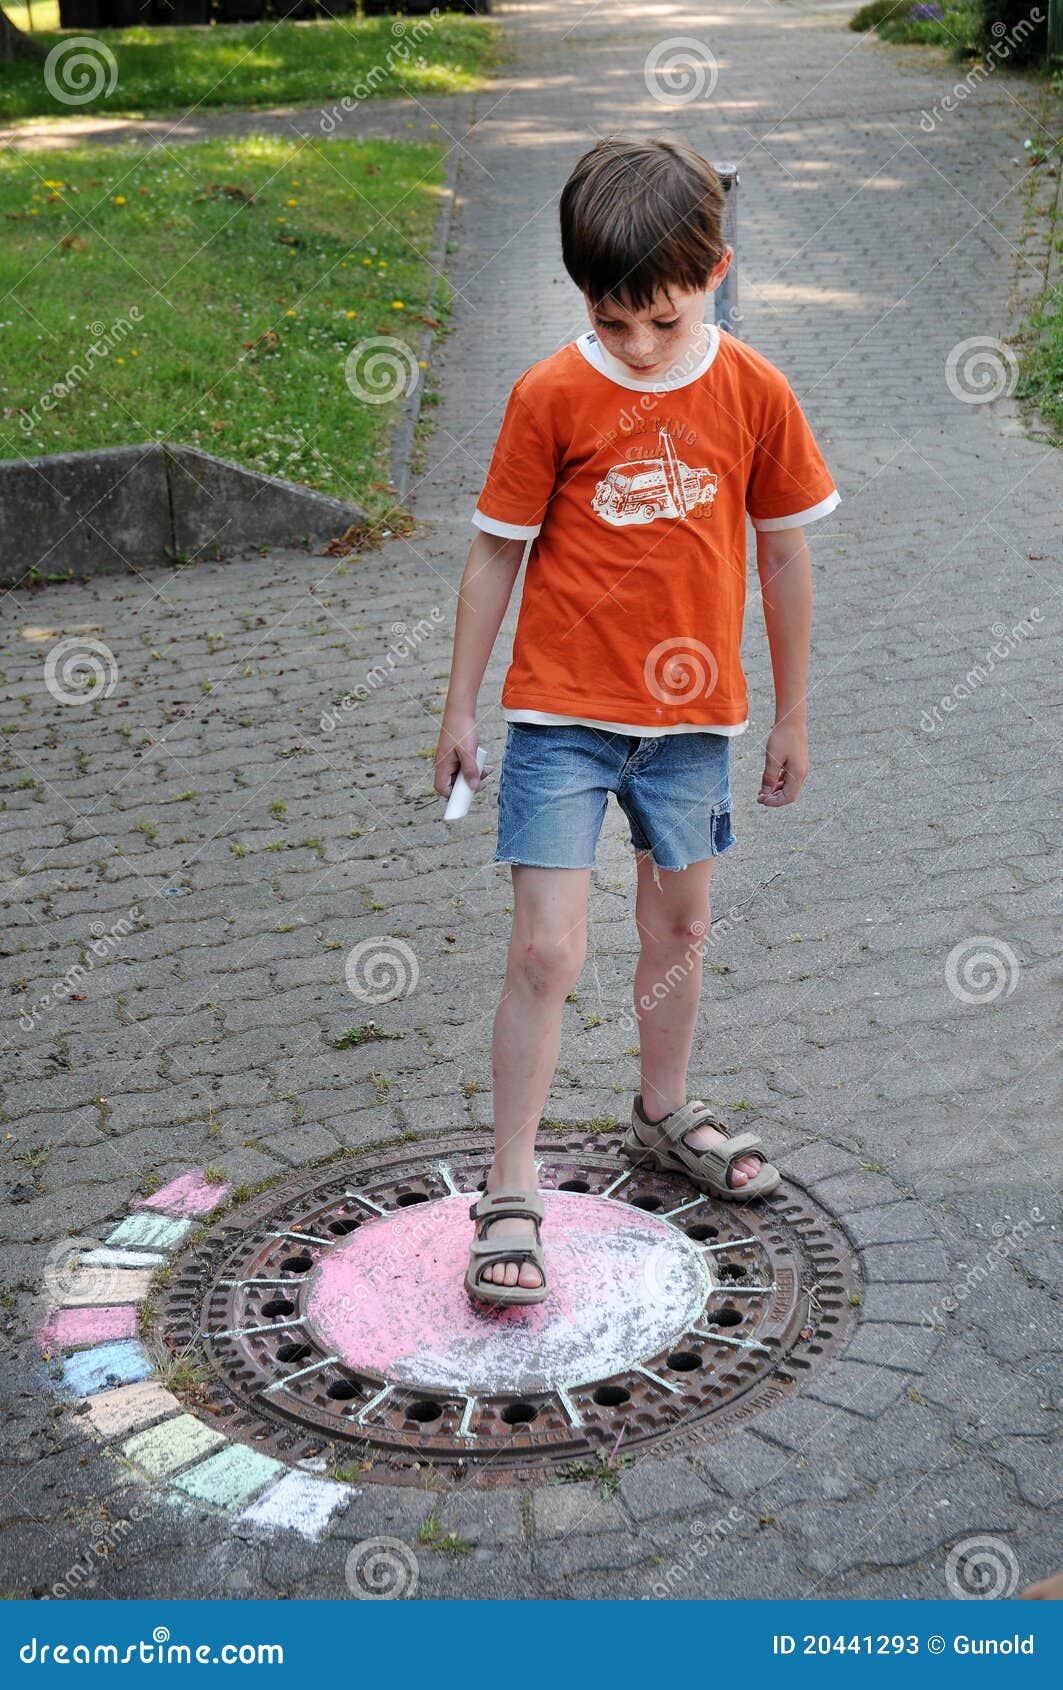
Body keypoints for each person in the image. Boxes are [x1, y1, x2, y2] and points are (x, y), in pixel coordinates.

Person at [434, 136, 840, 1307]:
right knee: (545, 949)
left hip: (695, 724)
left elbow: (784, 555)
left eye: (660, 320)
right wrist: (460, 705)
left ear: (715, 271)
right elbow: (491, 558)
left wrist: (792, 716)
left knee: (678, 932)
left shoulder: (753, 388)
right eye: (612, 322)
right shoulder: (551, 392)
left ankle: (663, 1113)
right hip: (559, 715)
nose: (637, 347)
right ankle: (511, 1178)